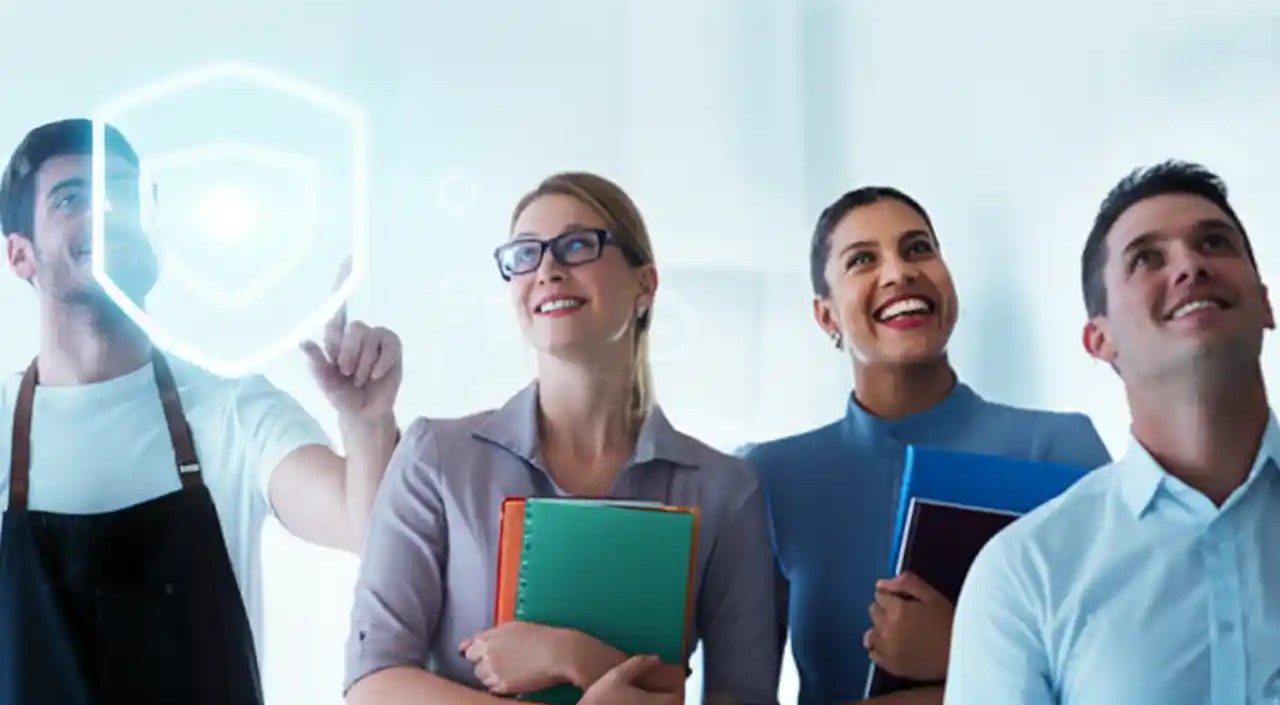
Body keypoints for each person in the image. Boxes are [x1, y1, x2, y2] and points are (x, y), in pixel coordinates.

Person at [0, 118, 404, 705]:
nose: (108, 213)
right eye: (71, 198)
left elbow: (364, 524)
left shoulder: (231, 412)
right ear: (20, 256)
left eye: (124, 194)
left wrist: (366, 423)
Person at [342, 172, 779, 705]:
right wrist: (568, 661)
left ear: (645, 285)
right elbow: (373, 684)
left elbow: (746, 699)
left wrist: (573, 655)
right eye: (525, 255)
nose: (547, 270)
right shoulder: (435, 458)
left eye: (576, 246)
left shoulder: (725, 490)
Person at [739, 186, 1113, 705]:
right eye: (863, 260)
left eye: (918, 249)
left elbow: (1123, 671)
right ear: (826, 317)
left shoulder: (1060, 448)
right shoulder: (769, 479)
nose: (899, 272)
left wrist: (963, 650)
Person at [946, 161, 1280, 704]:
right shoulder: (1026, 574)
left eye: (1214, 242)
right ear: (1100, 340)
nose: (1191, 265)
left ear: (1266, 301)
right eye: (1146, 258)